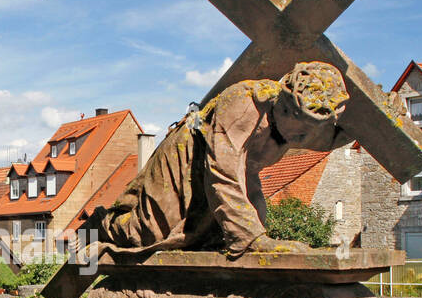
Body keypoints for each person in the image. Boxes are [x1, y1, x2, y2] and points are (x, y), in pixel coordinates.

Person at [89, 61, 352, 257]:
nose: (302, 135)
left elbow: (248, 179)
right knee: (147, 232)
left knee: (201, 234)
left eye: (311, 128)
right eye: (298, 122)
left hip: (228, 173)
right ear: (283, 103)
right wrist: (253, 239)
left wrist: (260, 235)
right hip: (187, 156)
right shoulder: (244, 102)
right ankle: (101, 226)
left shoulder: (304, 126)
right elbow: (224, 175)